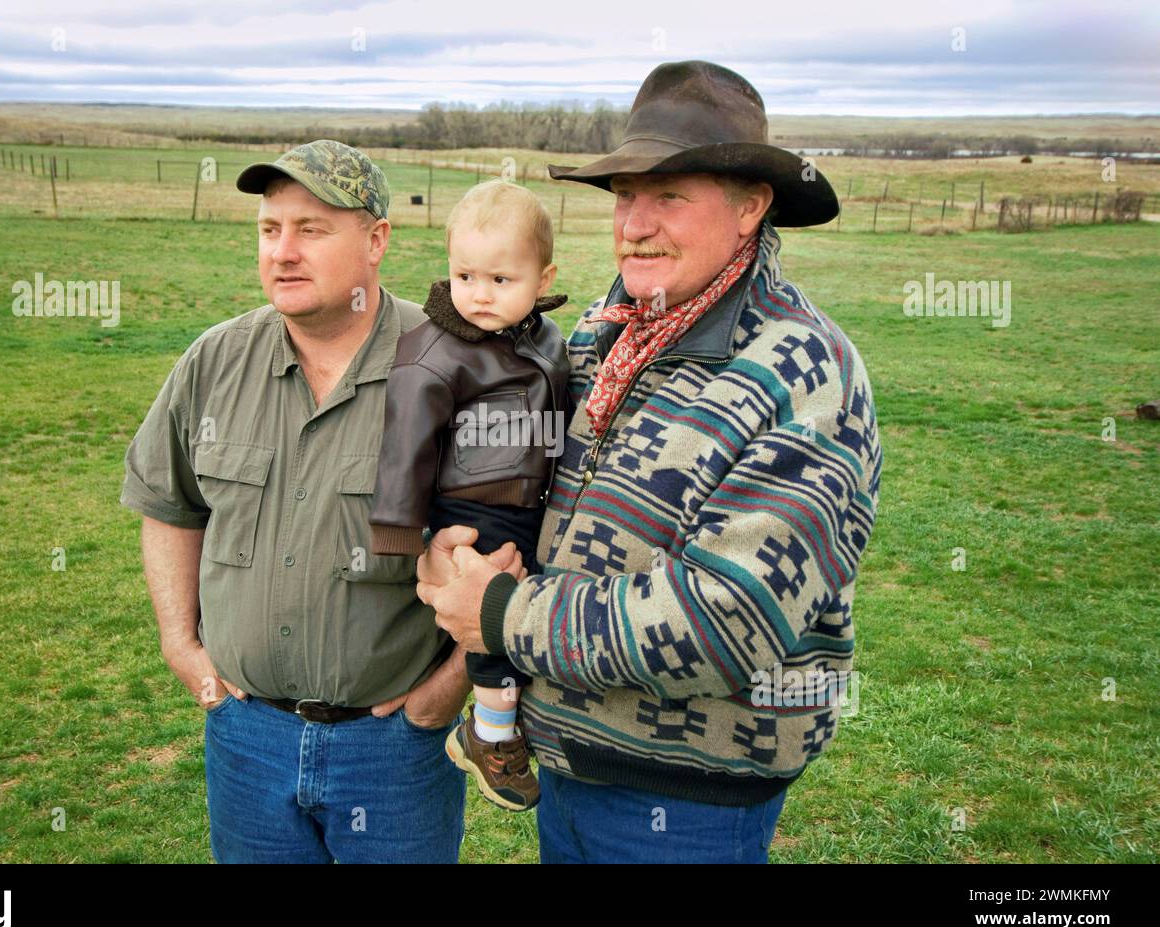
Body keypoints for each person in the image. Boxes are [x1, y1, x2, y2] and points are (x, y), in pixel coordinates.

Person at [416, 61, 883, 863]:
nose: (634, 223)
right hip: (570, 766)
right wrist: (449, 541)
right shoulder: (605, 334)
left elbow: (726, 620)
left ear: (750, 206)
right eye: (625, 194)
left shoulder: (804, 372)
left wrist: (501, 613)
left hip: (686, 799)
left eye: (668, 195)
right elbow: (522, 476)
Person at [120, 140, 521, 863]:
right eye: (270, 229)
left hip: (393, 748)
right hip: (246, 735)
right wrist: (181, 646)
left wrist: (444, 692)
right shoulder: (215, 361)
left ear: (376, 241)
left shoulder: (457, 369)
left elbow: (509, 546)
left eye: (311, 229)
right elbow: (168, 502)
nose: (283, 252)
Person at [368, 179, 570, 811]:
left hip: (535, 503)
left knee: (531, 600)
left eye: (501, 280)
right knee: (493, 613)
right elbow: (405, 446)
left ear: (543, 279)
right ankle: (491, 732)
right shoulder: (434, 352)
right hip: (471, 502)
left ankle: (510, 716)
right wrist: (401, 533)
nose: (479, 294)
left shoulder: (546, 340)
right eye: (465, 276)